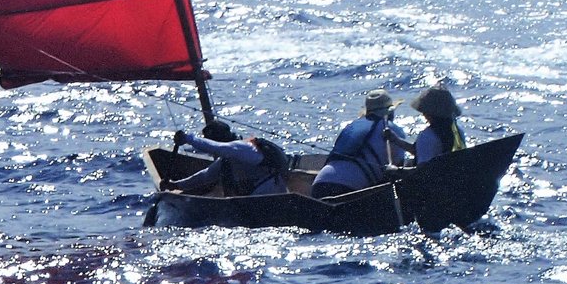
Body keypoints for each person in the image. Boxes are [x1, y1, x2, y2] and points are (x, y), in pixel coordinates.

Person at [310, 89, 406, 199]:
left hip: (319, 183)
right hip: (351, 189)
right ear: (390, 112)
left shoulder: (351, 127)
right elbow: (397, 171)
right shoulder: (393, 129)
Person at [160, 119, 289, 196]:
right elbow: (205, 176)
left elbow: (217, 148)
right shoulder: (227, 159)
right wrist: (176, 185)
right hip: (254, 197)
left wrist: (188, 139)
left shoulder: (242, 148)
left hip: (272, 193)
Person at [384, 83, 466, 167]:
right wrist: (395, 140)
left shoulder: (427, 136)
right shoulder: (458, 131)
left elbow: (422, 170)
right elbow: (421, 150)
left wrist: (395, 171)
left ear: (429, 114)